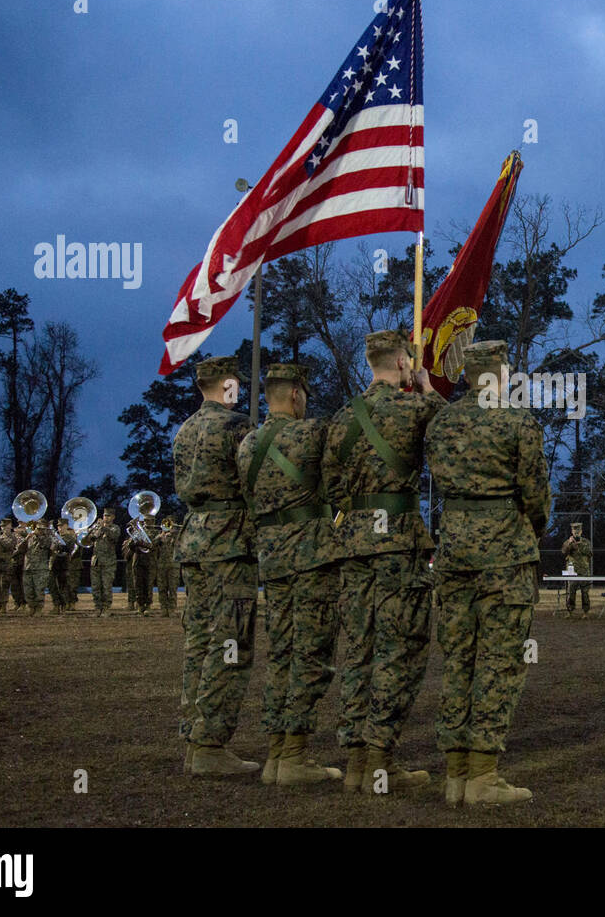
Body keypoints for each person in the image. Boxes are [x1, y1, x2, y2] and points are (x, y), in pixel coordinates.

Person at [426, 340, 550, 805]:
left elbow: (438, 477)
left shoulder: (441, 422)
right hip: (504, 556)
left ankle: (455, 774)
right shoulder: (517, 420)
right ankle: (482, 776)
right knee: (498, 663)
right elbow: (535, 492)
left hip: (454, 553)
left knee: (458, 660)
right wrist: (529, 529)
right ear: (501, 375)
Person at [322, 330, 443, 794]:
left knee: (358, 650)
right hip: (398, 545)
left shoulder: (340, 419)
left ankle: (355, 760)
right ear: (401, 360)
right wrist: (428, 390)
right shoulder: (417, 409)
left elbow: (332, 486)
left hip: (353, 544)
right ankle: (380, 761)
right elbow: (455, 438)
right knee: (400, 650)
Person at [237, 363, 342, 786]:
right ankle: (295, 756)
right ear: (297, 395)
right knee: (311, 654)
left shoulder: (247, 445)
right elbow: (338, 487)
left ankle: (277, 754)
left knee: (280, 653)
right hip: (313, 558)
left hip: (274, 560)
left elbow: (250, 498)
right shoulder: (312, 433)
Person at [174, 355, 259, 777]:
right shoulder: (235, 427)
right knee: (231, 644)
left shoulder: (185, 430)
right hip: (230, 543)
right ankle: (210, 743)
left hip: (195, 541)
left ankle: (194, 736)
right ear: (228, 385)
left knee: (199, 643)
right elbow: (257, 481)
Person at [88, 509, 123, 617]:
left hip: (108, 562)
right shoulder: (97, 528)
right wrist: (92, 530)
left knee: (106, 586)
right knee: (96, 586)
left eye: (108, 516)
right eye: (104, 515)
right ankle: (97, 608)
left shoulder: (115, 528)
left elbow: (114, 536)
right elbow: (89, 539)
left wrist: (103, 527)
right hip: (96, 561)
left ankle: (106, 608)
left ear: (113, 517)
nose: (105, 518)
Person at [14, 521, 52, 616]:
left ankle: (38, 608)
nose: (39, 531)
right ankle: (31, 607)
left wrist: (38, 537)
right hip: (28, 567)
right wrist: (26, 538)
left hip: (40, 568)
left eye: (41, 529)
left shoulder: (47, 538)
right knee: (28, 590)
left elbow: (46, 545)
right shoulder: (29, 538)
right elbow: (19, 549)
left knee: (39, 590)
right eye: (38, 529)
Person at [560, 522, 593, 616]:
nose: (576, 533)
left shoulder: (586, 542)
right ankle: (570, 611)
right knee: (571, 592)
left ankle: (585, 612)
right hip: (572, 571)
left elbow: (590, 553)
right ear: (572, 532)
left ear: (581, 531)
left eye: (578, 531)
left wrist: (579, 545)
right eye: (574, 532)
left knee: (585, 593)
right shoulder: (568, 542)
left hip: (584, 571)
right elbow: (563, 552)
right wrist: (570, 544)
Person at [152, 519, 182, 616]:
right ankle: (163, 609)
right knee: (162, 588)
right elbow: (152, 544)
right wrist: (161, 535)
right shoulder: (160, 536)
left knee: (173, 588)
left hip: (174, 566)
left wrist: (173, 533)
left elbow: (181, 541)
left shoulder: (177, 536)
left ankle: (172, 609)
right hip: (162, 565)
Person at [123, 527, 153, 615]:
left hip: (148, 561)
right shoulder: (134, 535)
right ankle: (140, 606)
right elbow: (130, 548)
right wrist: (133, 541)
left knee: (147, 584)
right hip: (137, 562)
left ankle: (147, 606)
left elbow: (151, 545)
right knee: (137, 584)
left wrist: (141, 542)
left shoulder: (149, 534)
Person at [0, 517, 17, 613]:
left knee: (4, 585)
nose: (4, 529)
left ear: (10, 527)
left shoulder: (13, 537)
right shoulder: (0, 537)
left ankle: (3, 606)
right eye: (3, 527)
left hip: (7, 564)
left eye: (6, 527)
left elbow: (9, 546)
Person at [49, 519, 72, 615]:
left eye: (62, 526)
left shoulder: (70, 537)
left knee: (63, 586)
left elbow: (67, 548)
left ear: (66, 526)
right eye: (58, 526)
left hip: (64, 564)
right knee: (52, 586)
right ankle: (56, 605)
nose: (60, 528)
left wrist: (57, 540)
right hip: (54, 563)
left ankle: (64, 604)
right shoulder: (55, 537)